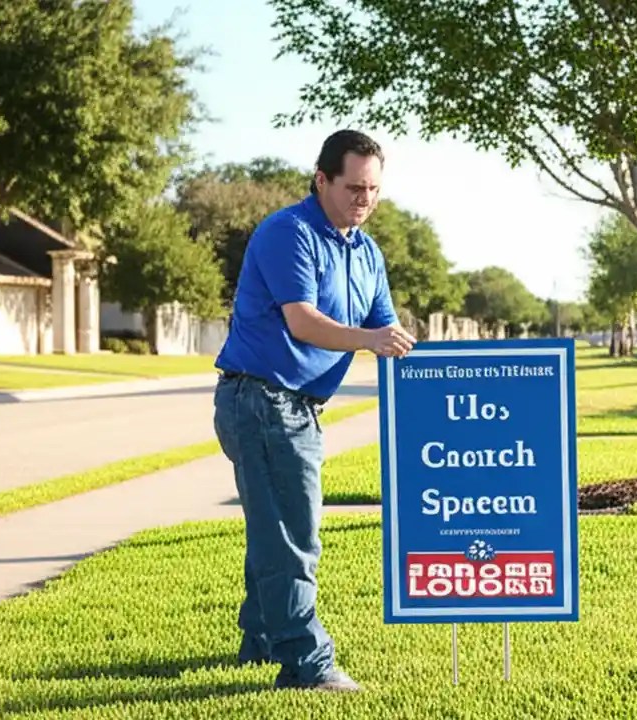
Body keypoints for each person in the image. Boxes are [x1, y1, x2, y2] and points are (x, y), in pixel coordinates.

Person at [212, 129, 416, 692]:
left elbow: (384, 329)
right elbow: (302, 322)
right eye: (353, 187)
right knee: (293, 536)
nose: (364, 200)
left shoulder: (366, 250)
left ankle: (259, 641)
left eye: (373, 189)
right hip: (262, 401)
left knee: (273, 531)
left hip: (298, 407)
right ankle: (307, 661)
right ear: (322, 179)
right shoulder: (289, 233)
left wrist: (419, 363)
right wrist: (370, 340)